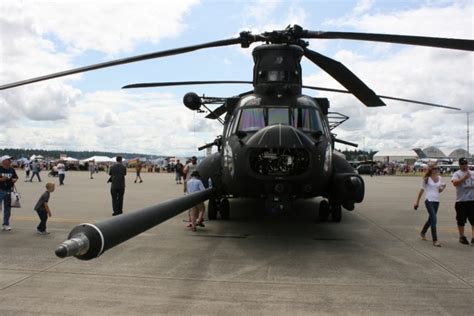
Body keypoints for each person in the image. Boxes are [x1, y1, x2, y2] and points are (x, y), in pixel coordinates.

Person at [414, 165, 446, 247]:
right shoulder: (426, 179)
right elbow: (421, 191)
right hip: (429, 200)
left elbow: (438, 191)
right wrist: (417, 202)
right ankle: (435, 240)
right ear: (430, 170)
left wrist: (443, 188)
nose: (436, 170)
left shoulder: (440, 178)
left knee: (431, 219)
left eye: (437, 169)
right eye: (434, 169)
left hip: (436, 201)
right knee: (434, 219)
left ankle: (423, 232)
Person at [451, 157, 474, 245]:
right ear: (460, 165)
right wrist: (464, 178)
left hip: (472, 200)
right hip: (461, 200)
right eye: (462, 164)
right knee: (461, 220)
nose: (464, 166)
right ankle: (462, 236)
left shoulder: (472, 173)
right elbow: (455, 183)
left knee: (473, 220)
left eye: (465, 164)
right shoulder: (457, 174)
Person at [0, 156, 18, 231]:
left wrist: (14, 180)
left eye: (10, 159)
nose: (10, 161)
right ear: (3, 161)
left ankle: (6, 224)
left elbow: (16, 177)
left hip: (9, 190)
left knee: (7, 209)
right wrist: (1, 179)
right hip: (0, 190)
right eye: (8, 160)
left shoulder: (11, 169)